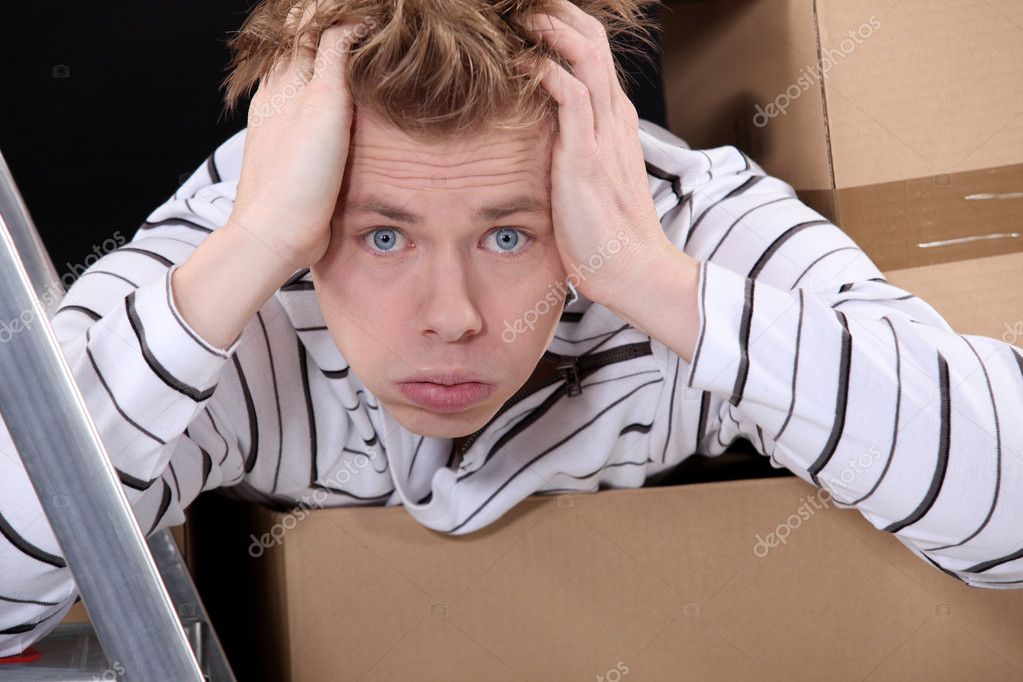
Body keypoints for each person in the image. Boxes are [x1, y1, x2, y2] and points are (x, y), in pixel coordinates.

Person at [2, 0, 1022, 659]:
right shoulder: (240, 247)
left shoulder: (669, 218)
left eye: (508, 234)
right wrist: (253, 246)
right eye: (384, 235)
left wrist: (645, 277)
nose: (452, 319)